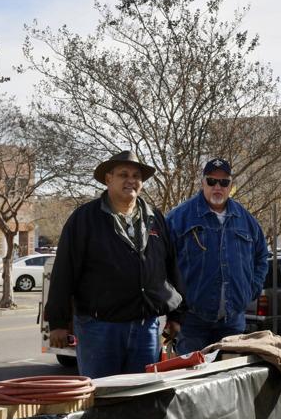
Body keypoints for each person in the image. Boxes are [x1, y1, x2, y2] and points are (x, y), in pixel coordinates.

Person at [45, 151, 184, 378]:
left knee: (140, 398)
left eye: (136, 175)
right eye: (123, 174)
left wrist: (177, 315)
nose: (131, 180)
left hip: (145, 328)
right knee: (101, 398)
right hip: (99, 329)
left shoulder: (155, 218)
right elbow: (64, 271)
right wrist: (58, 323)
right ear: (108, 179)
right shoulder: (84, 218)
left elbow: (170, 266)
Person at [166, 158, 269, 354]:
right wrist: (174, 307)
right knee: (193, 380)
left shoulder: (246, 220)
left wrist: (251, 289)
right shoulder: (178, 218)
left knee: (230, 379)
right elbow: (162, 262)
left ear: (231, 186)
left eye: (224, 182)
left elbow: (261, 256)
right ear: (203, 183)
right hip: (192, 321)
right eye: (211, 181)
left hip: (233, 321)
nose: (217, 187)